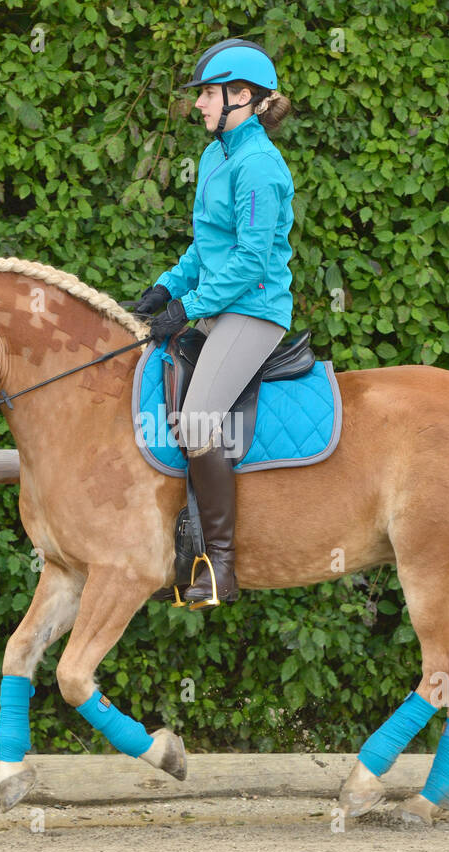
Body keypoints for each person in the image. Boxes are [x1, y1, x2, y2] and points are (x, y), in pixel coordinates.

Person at [133, 38, 296, 610]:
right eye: (201, 93)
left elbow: (251, 262)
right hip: (218, 304)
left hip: (253, 311)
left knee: (199, 420)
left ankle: (220, 565)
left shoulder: (258, 166)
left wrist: (189, 308)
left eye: (207, 93)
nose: (198, 104)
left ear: (243, 97)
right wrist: (165, 289)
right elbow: (207, 249)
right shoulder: (216, 156)